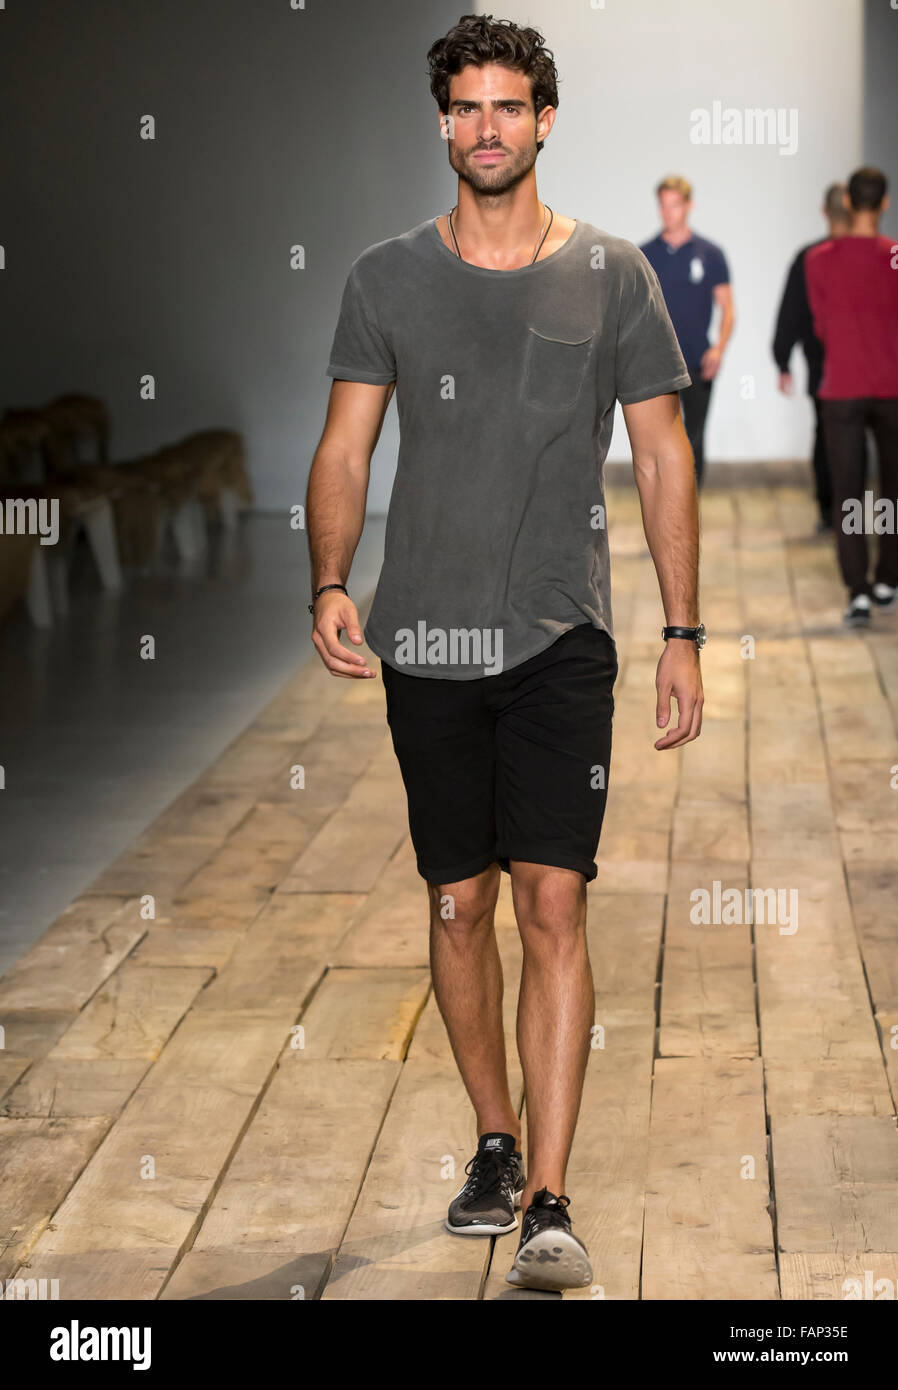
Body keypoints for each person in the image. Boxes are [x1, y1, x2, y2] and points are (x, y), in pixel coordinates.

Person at [306, 13, 705, 1293]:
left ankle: (548, 1194)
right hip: (424, 638)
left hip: (558, 640)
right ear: (443, 123)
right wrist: (327, 576)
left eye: (507, 108)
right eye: (464, 108)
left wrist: (683, 631)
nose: (486, 128)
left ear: (544, 120)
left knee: (551, 901)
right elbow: (345, 445)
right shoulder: (384, 279)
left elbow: (659, 454)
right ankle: (493, 1133)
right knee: (458, 902)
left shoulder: (611, 274)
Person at [805, 167, 898, 627]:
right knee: (893, 488)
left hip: (841, 387)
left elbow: (821, 328)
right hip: (892, 387)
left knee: (849, 493)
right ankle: (888, 579)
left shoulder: (819, 259)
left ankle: (858, 591)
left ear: (848, 202)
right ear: (884, 203)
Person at [640, 177, 734, 487]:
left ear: (689, 206)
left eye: (674, 205)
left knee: (694, 435)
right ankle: (664, 500)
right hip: (658, 364)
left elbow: (727, 308)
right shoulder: (645, 255)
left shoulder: (710, 254)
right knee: (660, 438)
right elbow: (636, 311)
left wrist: (718, 348)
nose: (668, 212)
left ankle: (690, 501)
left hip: (698, 359)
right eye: (663, 206)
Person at [773, 184, 852, 532]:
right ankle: (853, 513)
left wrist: (783, 360)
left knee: (826, 434)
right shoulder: (883, 256)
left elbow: (791, 313)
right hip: (870, 368)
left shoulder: (809, 257)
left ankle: (828, 509)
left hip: (823, 366)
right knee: (861, 437)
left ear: (825, 211)